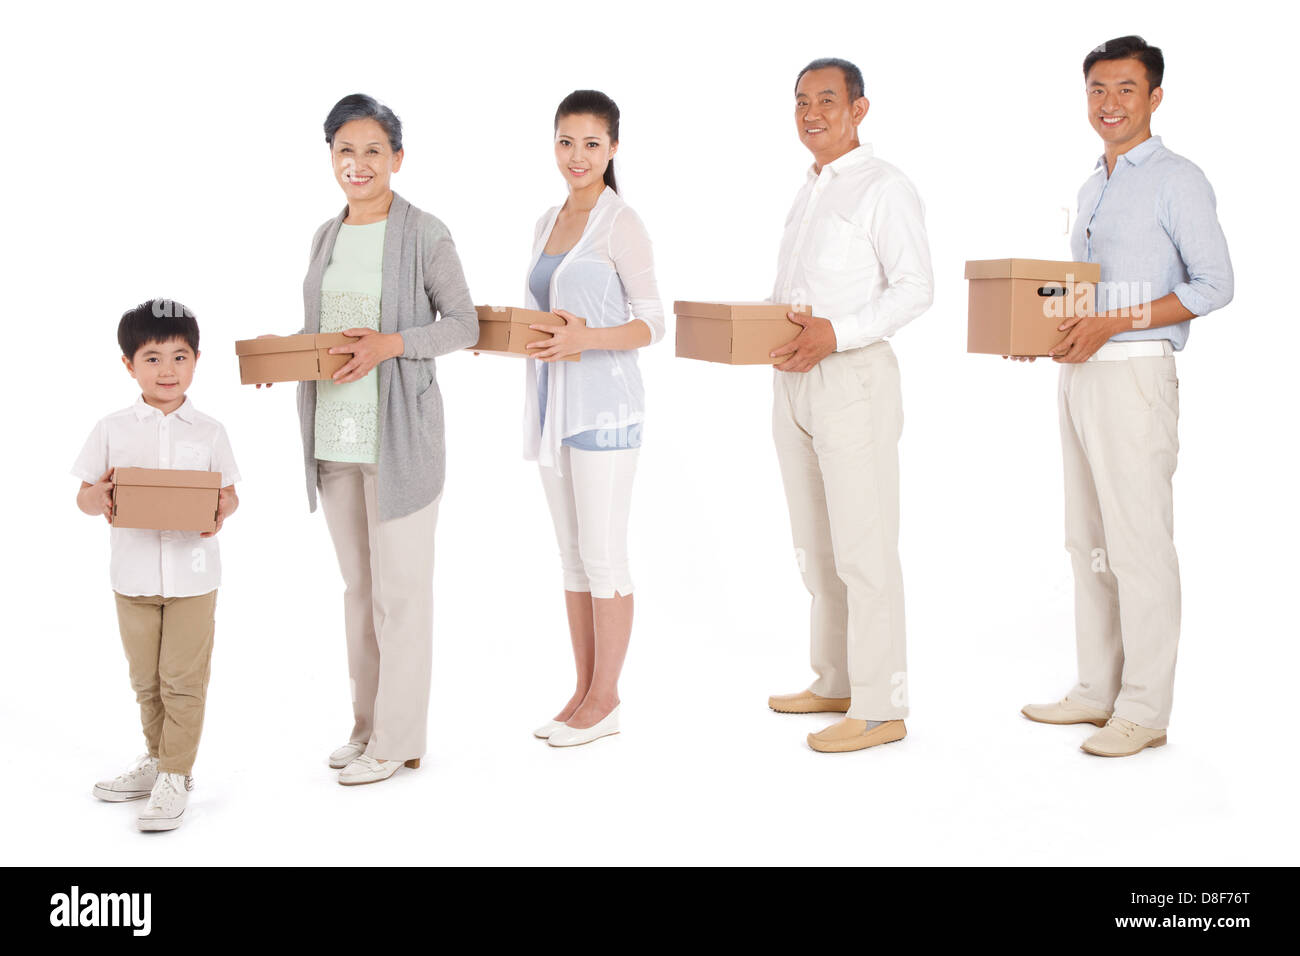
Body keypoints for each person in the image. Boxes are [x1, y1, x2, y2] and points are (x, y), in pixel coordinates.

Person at [1018, 37, 1233, 756]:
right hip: (1079, 372)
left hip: (1136, 372)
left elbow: (1215, 285)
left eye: (1126, 90)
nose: (1109, 105)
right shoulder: (1093, 184)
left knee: (1138, 544)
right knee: (1089, 541)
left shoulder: (1177, 178)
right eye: (1097, 90)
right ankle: (1096, 690)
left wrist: (1116, 320)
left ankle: (1145, 709)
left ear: (1155, 97)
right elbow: (1081, 290)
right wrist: (1038, 329)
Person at [261, 93, 478, 784]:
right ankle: (367, 727)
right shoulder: (325, 235)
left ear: (397, 159)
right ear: (331, 158)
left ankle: (398, 740)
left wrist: (392, 345)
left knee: (402, 594)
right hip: (334, 435)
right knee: (360, 592)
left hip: (400, 443)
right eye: (345, 151)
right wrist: (282, 357)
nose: (358, 164)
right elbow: (327, 330)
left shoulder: (426, 233)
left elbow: (465, 325)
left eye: (372, 151)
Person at [764, 58, 934, 753]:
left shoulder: (882, 186)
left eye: (826, 100)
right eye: (801, 101)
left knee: (864, 548)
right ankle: (835, 678)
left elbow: (916, 287)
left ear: (859, 109)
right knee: (817, 545)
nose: (811, 113)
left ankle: (881, 706)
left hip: (852, 379)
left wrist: (837, 333)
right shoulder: (808, 191)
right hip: (795, 381)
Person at [521, 89, 664, 748]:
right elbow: (548, 313)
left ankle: (607, 700)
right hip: (554, 410)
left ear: (612, 149)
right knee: (573, 561)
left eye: (591, 144)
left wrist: (587, 339)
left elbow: (652, 323)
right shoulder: (546, 220)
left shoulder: (620, 222)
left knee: (604, 558)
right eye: (566, 142)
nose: (577, 156)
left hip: (605, 409)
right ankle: (581, 692)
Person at [75, 299, 241, 831]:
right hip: (134, 575)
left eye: (179, 356)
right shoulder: (111, 428)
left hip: (194, 576)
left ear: (196, 360)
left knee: (182, 680)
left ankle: (176, 774)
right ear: (129, 365)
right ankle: (156, 760)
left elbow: (230, 495)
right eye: (151, 358)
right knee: (146, 680)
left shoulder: (210, 431)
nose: (167, 370)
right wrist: (99, 497)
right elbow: (83, 494)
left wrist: (221, 511)